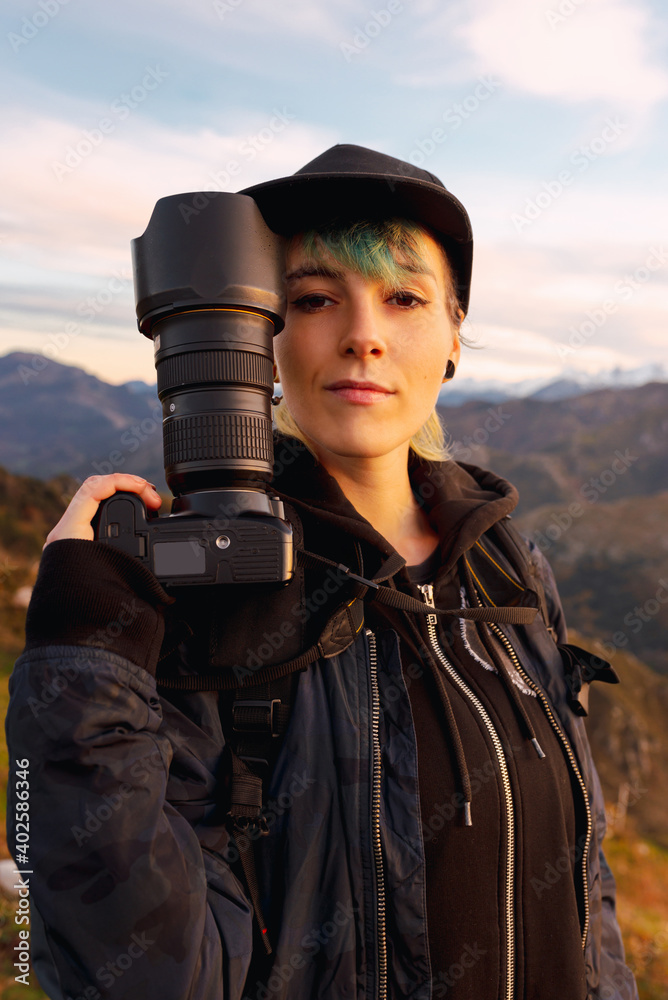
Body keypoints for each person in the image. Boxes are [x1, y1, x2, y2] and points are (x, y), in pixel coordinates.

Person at [6, 144, 637, 1000]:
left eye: (405, 298)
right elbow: (148, 975)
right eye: (313, 299)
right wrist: (80, 666)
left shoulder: (511, 573)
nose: (364, 337)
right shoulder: (197, 593)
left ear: (454, 338)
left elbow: (584, 877)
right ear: (261, 333)